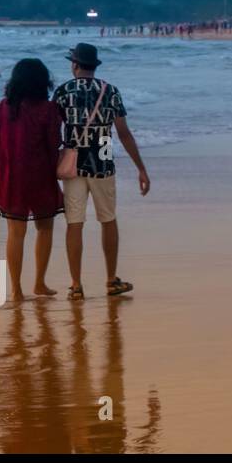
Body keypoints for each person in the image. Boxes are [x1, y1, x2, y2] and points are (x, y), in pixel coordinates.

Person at [54, 43, 150, 300]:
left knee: (74, 223)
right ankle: (111, 280)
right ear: (93, 66)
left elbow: (52, 131)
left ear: (74, 65)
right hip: (103, 161)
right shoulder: (110, 91)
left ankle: (76, 285)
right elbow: (123, 133)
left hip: (72, 164)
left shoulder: (63, 91)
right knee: (107, 219)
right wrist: (141, 168)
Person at [0, 58, 63, 301]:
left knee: (15, 233)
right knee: (45, 228)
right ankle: (39, 282)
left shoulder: (5, 106)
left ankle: (16, 290)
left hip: (11, 176)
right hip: (40, 173)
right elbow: (53, 143)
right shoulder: (49, 109)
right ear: (42, 82)